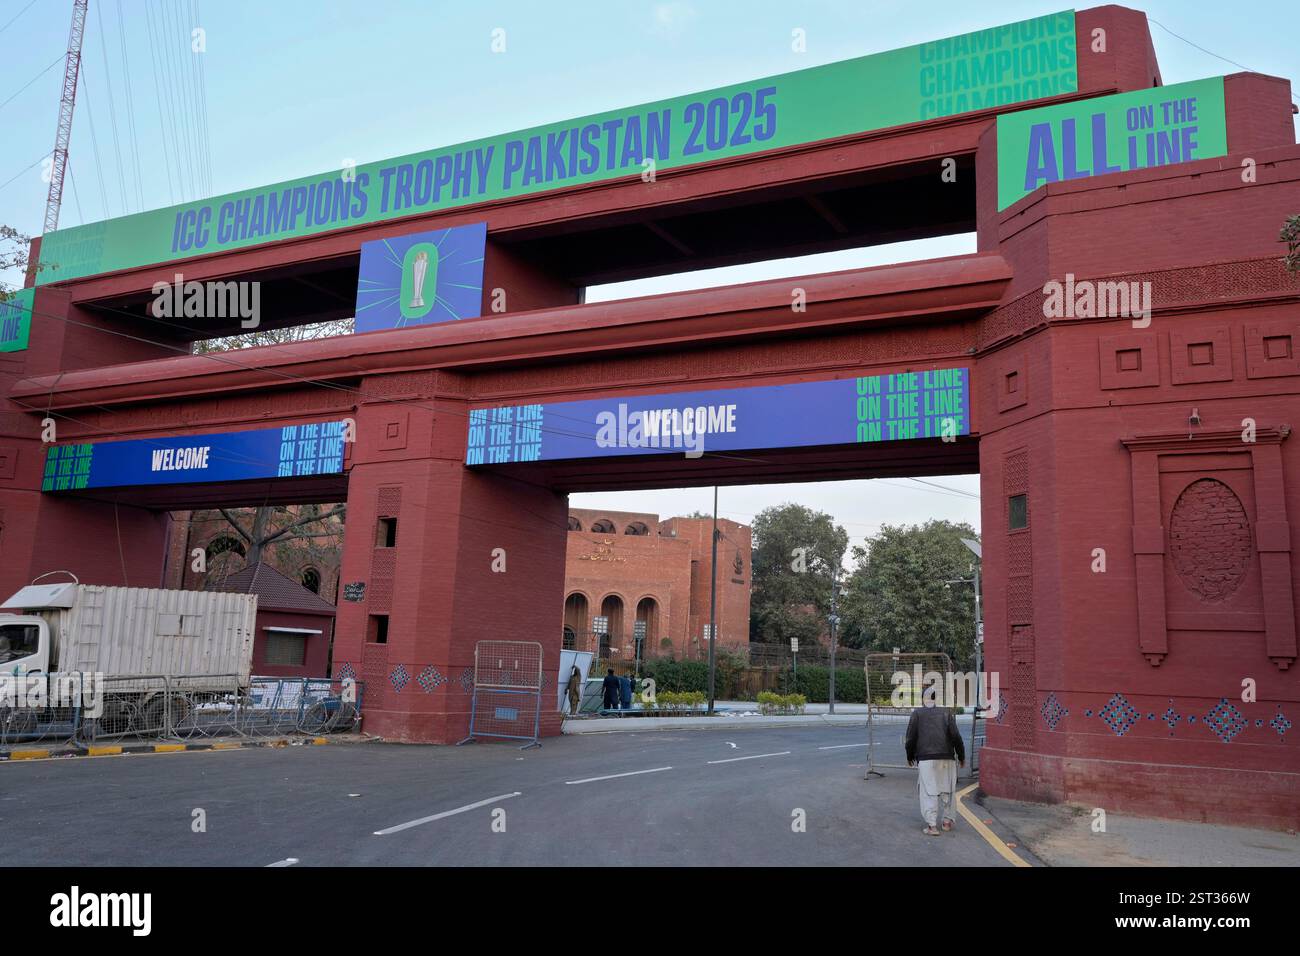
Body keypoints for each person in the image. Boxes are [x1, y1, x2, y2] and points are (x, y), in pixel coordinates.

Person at [905, 704, 966, 836]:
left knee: (928, 791)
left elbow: (910, 738)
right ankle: (947, 822)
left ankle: (932, 826)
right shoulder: (946, 713)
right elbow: (956, 736)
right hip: (947, 757)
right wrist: (961, 756)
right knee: (947, 790)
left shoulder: (917, 713)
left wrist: (909, 756)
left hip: (926, 758)